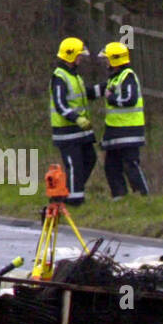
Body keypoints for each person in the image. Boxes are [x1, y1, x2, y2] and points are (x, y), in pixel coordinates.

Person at [50, 37, 104, 205]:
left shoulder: (74, 76)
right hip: (67, 132)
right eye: (79, 56)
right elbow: (60, 104)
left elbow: (84, 95)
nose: (81, 59)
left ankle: (70, 192)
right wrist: (77, 118)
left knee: (89, 159)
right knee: (74, 165)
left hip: (79, 131)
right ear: (71, 56)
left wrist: (104, 88)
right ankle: (74, 200)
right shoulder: (60, 77)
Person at [98, 42, 151, 199]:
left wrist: (112, 98)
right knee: (111, 166)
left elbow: (130, 99)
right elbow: (100, 89)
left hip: (129, 130)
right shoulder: (115, 79)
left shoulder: (127, 76)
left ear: (115, 60)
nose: (105, 62)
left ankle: (142, 196)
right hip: (116, 131)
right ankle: (119, 197)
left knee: (130, 164)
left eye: (107, 59)